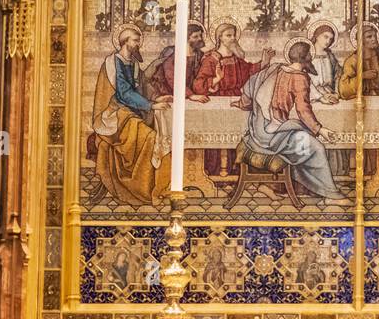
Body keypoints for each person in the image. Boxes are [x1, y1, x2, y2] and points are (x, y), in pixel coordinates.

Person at [237, 40, 348, 206]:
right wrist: (320, 130)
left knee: (302, 136)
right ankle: (330, 195)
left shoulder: (276, 68)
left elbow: (248, 93)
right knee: (316, 148)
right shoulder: (300, 77)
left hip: (258, 131)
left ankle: (271, 185)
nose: (312, 57)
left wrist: (241, 104)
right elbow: (303, 111)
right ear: (305, 58)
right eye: (310, 55)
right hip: (273, 135)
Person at [90, 24, 171, 205]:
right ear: (125, 42)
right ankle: (140, 188)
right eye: (135, 40)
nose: (138, 44)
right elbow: (124, 93)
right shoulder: (113, 63)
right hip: (113, 114)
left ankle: (151, 186)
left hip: (130, 112)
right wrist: (151, 105)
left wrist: (158, 97)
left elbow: (144, 86)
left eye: (139, 40)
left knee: (157, 134)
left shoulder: (132, 64)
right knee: (151, 137)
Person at [193, 22, 274, 175]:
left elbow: (249, 70)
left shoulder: (236, 58)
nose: (232, 38)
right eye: (228, 35)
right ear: (220, 38)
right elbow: (198, 85)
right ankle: (217, 173)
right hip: (218, 101)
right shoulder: (211, 59)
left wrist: (264, 62)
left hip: (237, 100)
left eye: (233, 35)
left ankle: (236, 173)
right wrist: (216, 79)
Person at [144, 21, 206, 102]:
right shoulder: (172, 55)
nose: (200, 39)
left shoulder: (200, 55)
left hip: (188, 93)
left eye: (200, 35)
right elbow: (172, 79)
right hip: (167, 92)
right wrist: (191, 95)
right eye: (195, 37)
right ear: (186, 38)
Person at [307, 22, 342, 104]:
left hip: (329, 92)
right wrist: (320, 97)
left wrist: (337, 93)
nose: (328, 41)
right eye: (325, 37)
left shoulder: (330, 56)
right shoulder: (307, 55)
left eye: (330, 39)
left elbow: (338, 75)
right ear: (317, 36)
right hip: (311, 94)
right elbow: (304, 79)